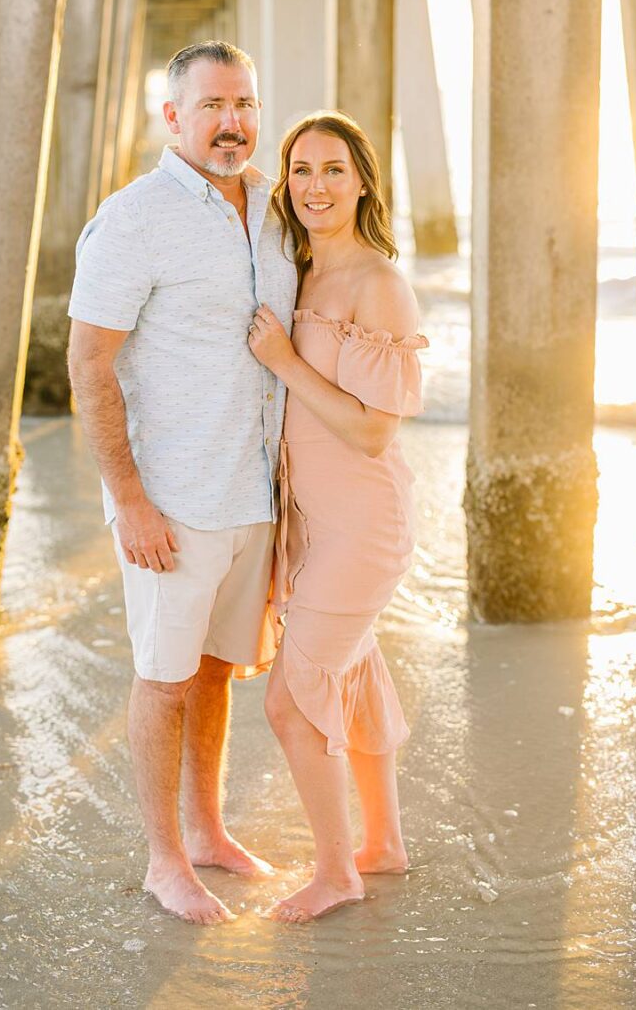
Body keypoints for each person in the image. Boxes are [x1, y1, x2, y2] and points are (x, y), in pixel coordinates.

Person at [67, 41, 297, 924]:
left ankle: (207, 830)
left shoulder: (276, 210)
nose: (232, 122)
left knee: (215, 670)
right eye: (212, 107)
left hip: (253, 493)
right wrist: (128, 499)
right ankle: (166, 860)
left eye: (244, 103)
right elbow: (89, 360)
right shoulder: (132, 219)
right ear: (173, 118)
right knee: (164, 678)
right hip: (171, 500)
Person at [247, 110, 423, 922]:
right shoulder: (301, 272)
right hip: (315, 521)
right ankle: (381, 843)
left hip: (363, 522)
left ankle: (334, 870)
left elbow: (371, 427)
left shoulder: (377, 282)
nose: (315, 185)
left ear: (362, 182)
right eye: (301, 170)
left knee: (292, 699)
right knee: (350, 671)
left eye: (334, 170)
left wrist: (283, 360)